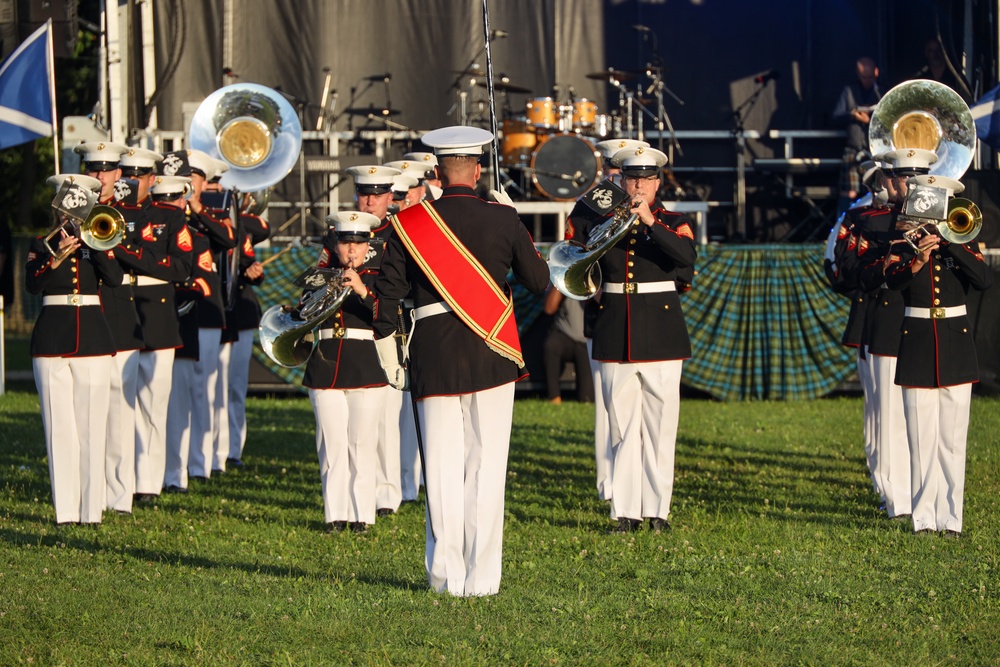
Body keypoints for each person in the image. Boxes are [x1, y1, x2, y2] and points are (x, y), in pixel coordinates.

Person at [372, 126, 549, 596]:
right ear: (477, 170)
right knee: (487, 465)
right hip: (492, 351)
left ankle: (444, 576)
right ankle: (483, 580)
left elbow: (387, 296)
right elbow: (538, 281)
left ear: (436, 171)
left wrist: (388, 347)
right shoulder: (502, 218)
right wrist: (514, 220)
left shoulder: (409, 223)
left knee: (442, 467)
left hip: (433, 353)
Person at [589, 145, 697, 533]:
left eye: (645, 179)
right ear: (620, 179)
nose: (637, 185)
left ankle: (657, 510)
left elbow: (686, 258)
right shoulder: (602, 219)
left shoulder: (674, 220)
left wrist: (650, 221)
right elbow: (581, 258)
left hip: (662, 333)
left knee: (660, 425)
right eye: (631, 178)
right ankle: (624, 510)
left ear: (656, 184)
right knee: (621, 426)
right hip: (615, 328)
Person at [883, 159, 993, 537]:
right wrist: (918, 259)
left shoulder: (962, 234)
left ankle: (952, 519)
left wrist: (950, 243)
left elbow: (982, 279)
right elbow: (891, 280)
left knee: (952, 438)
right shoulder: (901, 235)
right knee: (920, 436)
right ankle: (923, 518)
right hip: (916, 338)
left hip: (955, 339)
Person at [26, 175, 123, 524]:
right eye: (68, 210)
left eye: (79, 210)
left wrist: (95, 246)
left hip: (93, 337)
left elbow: (113, 279)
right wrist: (54, 256)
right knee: (59, 429)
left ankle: (91, 512)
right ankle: (66, 511)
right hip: (52, 337)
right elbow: (32, 284)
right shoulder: (42, 244)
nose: (73, 217)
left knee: (92, 428)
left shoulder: (97, 241)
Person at [565, 138, 649, 503]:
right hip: (602, 312)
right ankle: (609, 482)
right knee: (608, 407)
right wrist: (594, 285)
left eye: (625, 173)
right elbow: (573, 251)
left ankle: (640, 482)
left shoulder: (649, 205)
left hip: (641, 315)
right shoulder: (591, 205)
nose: (620, 180)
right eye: (616, 171)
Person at [839, 153, 919, 519]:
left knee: (919, 415)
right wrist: (891, 252)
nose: (904, 184)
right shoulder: (862, 219)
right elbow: (847, 269)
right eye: (900, 177)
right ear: (889, 180)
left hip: (921, 322)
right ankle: (895, 498)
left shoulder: (933, 218)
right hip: (885, 319)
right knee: (887, 413)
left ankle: (922, 492)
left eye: (913, 177)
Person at [117, 146, 194, 501]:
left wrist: (131, 255)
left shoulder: (169, 217)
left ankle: (147, 482)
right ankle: (119, 480)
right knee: (118, 400)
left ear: (152, 178)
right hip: (118, 310)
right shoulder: (107, 214)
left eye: (139, 175)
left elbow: (181, 268)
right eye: (126, 174)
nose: (132, 181)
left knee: (152, 402)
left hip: (157, 315)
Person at [304, 211, 388, 533]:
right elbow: (304, 312)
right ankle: (334, 514)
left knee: (362, 444)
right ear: (336, 244)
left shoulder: (379, 275)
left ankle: (362, 516)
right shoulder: (321, 274)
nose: (351, 250)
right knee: (331, 443)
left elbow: (389, 316)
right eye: (345, 243)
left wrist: (363, 291)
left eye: (357, 243)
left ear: (368, 245)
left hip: (365, 363)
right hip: (326, 364)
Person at [75, 141, 140, 514]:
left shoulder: (130, 214)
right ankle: (90, 491)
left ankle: (119, 495)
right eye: (92, 169)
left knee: (119, 409)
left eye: (106, 170)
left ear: (118, 173)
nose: (99, 177)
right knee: (87, 411)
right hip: (83, 319)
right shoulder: (71, 213)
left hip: (117, 315)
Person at [345, 163, 408, 517]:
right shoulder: (341, 232)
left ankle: (387, 493)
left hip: (384, 332)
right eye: (364, 194)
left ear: (389, 197)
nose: (369, 202)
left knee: (386, 419)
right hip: (351, 332)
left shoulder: (397, 234)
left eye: (377, 195)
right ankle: (360, 493)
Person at [831, 57, 882, 214]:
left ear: (876, 72)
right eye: (863, 77)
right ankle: (842, 230)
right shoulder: (849, 90)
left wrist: (870, 120)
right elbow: (836, 117)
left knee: (877, 191)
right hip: (854, 148)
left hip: (876, 149)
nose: (866, 80)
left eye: (869, 77)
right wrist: (853, 115)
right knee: (849, 192)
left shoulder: (882, 91)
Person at [542, 288, 594, 404]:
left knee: (587, 397)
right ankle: (554, 396)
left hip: (586, 342)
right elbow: (549, 309)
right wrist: (561, 284)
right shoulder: (562, 287)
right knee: (551, 345)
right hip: (565, 335)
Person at [914, 37, 973, 103]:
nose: (936, 54)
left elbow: (967, 105)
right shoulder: (920, 80)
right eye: (931, 50)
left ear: (945, 52)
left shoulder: (957, 79)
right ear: (926, 53)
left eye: (939, 49)